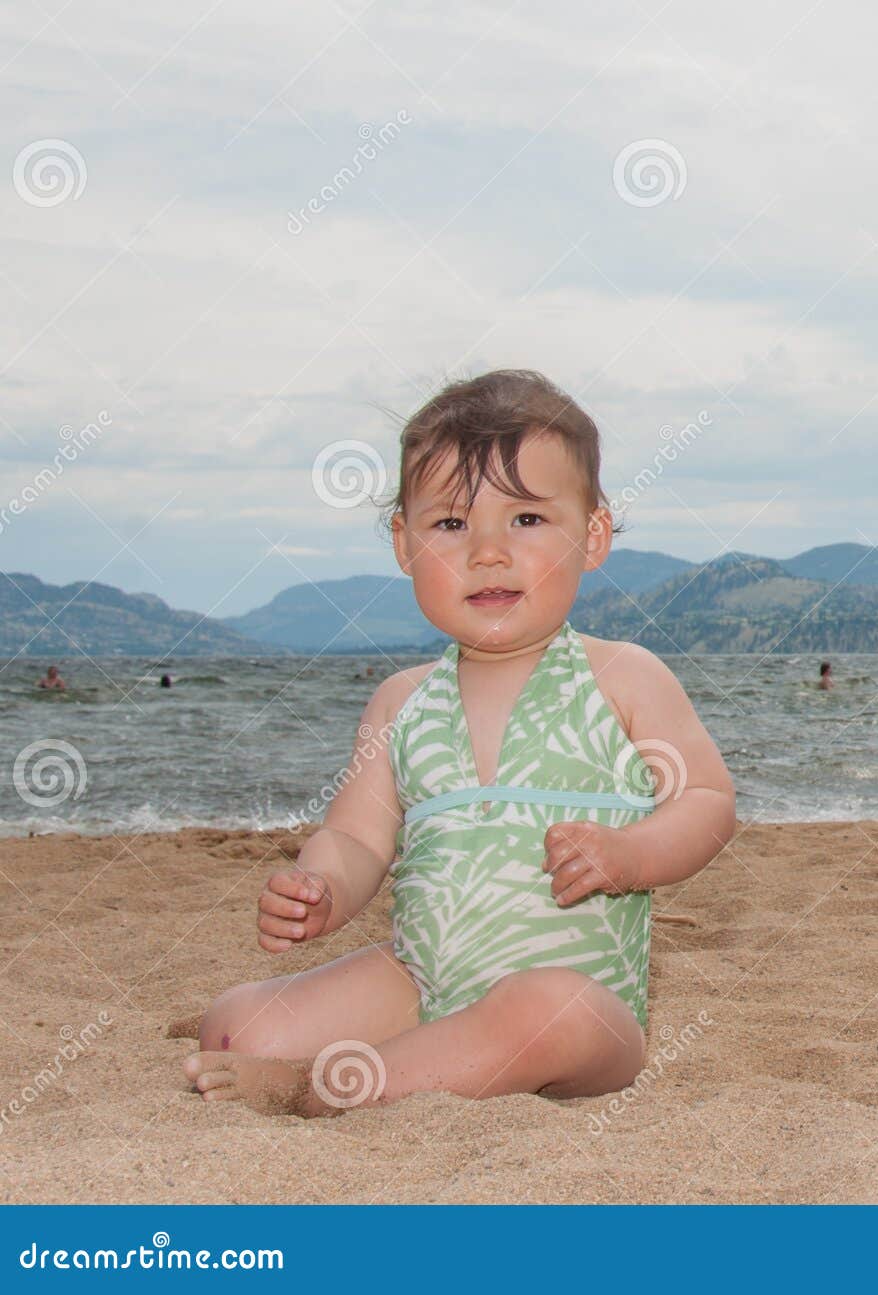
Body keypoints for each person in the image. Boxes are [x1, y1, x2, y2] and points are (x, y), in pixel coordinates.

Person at [182, 370, 736, 1117]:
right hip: (425, 979)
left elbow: (707, 800)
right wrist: (320, 888)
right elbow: (355, 836)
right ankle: (411, 1060)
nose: (487, 551)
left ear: (593, 535)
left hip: (580, 1007)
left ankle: (321, 1088)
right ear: (405, 543)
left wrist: (631, 853)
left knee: (545, 1010)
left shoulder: (622, 676)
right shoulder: (403, 701)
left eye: (527, 520)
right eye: (450, 525)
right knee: (234, 1028)